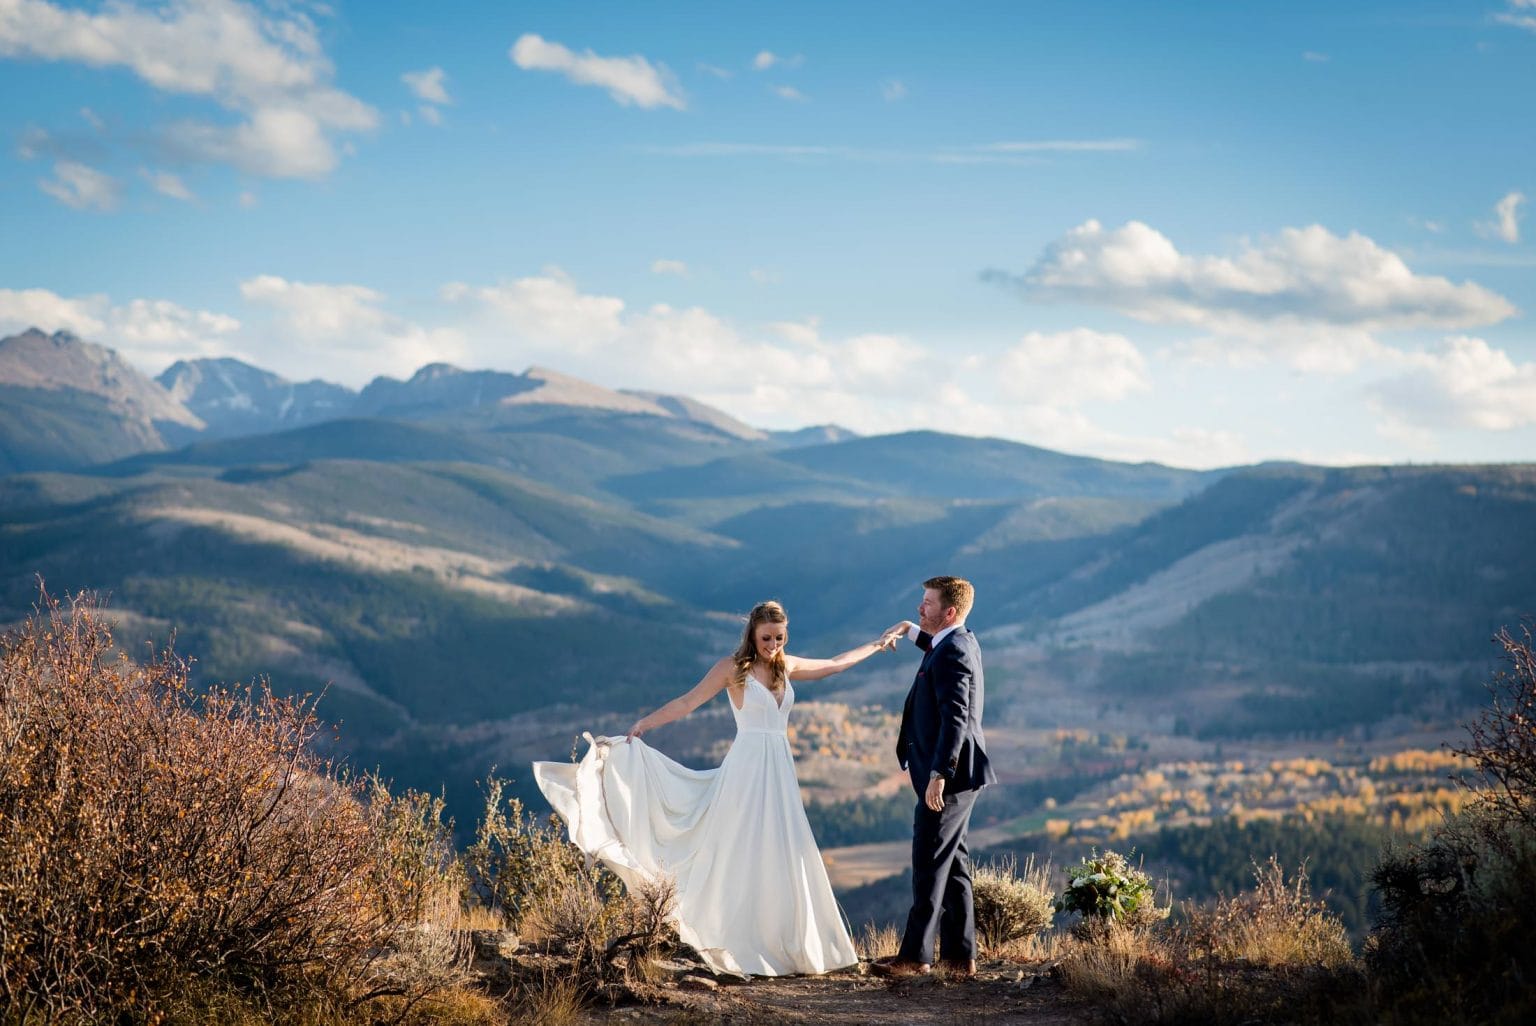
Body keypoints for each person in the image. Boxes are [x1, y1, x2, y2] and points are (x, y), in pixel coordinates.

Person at [531, 600, 908, 976]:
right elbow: (689, 700)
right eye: (766, 637)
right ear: (752, 634)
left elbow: (833, 664)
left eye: (779, 637)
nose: (773, 644)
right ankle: (735, 939)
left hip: (779, 770)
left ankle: (790, 945)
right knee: (736, 850)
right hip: (745, 770)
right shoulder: (733, 669)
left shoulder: (786, 666)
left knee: (782, 850)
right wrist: (645, 723)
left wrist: (878, 643)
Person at [871, 576, 996, 980]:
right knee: (954, 864)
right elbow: (937, 648)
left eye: (926, 603)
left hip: (951, 778)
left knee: (928, 861)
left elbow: (956, 718)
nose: (919, 607)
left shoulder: (954, 652)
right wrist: (909, 631)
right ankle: (960, 958)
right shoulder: (959, 641)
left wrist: (940, 774)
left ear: (950, 612)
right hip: (961, 775)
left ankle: (915, 956)